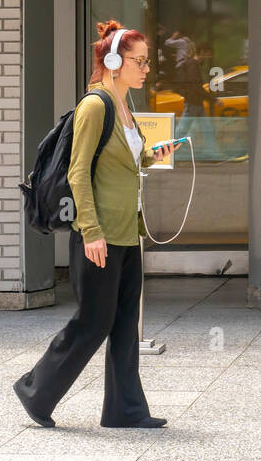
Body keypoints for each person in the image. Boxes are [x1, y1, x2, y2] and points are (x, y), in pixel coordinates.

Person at [13, 21, 182, 430]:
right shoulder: (96, 105)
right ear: (112, 61)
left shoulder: (124, 107)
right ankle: (36, 390)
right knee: (94, 321)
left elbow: (122, 162)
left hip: (127, 231)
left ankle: (125, 410)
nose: (145, 69)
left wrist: (152, 153)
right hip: (99, 234)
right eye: (139, 61)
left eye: (147, 61)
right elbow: (78, 171)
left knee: (125, 322)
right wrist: (90, 230)